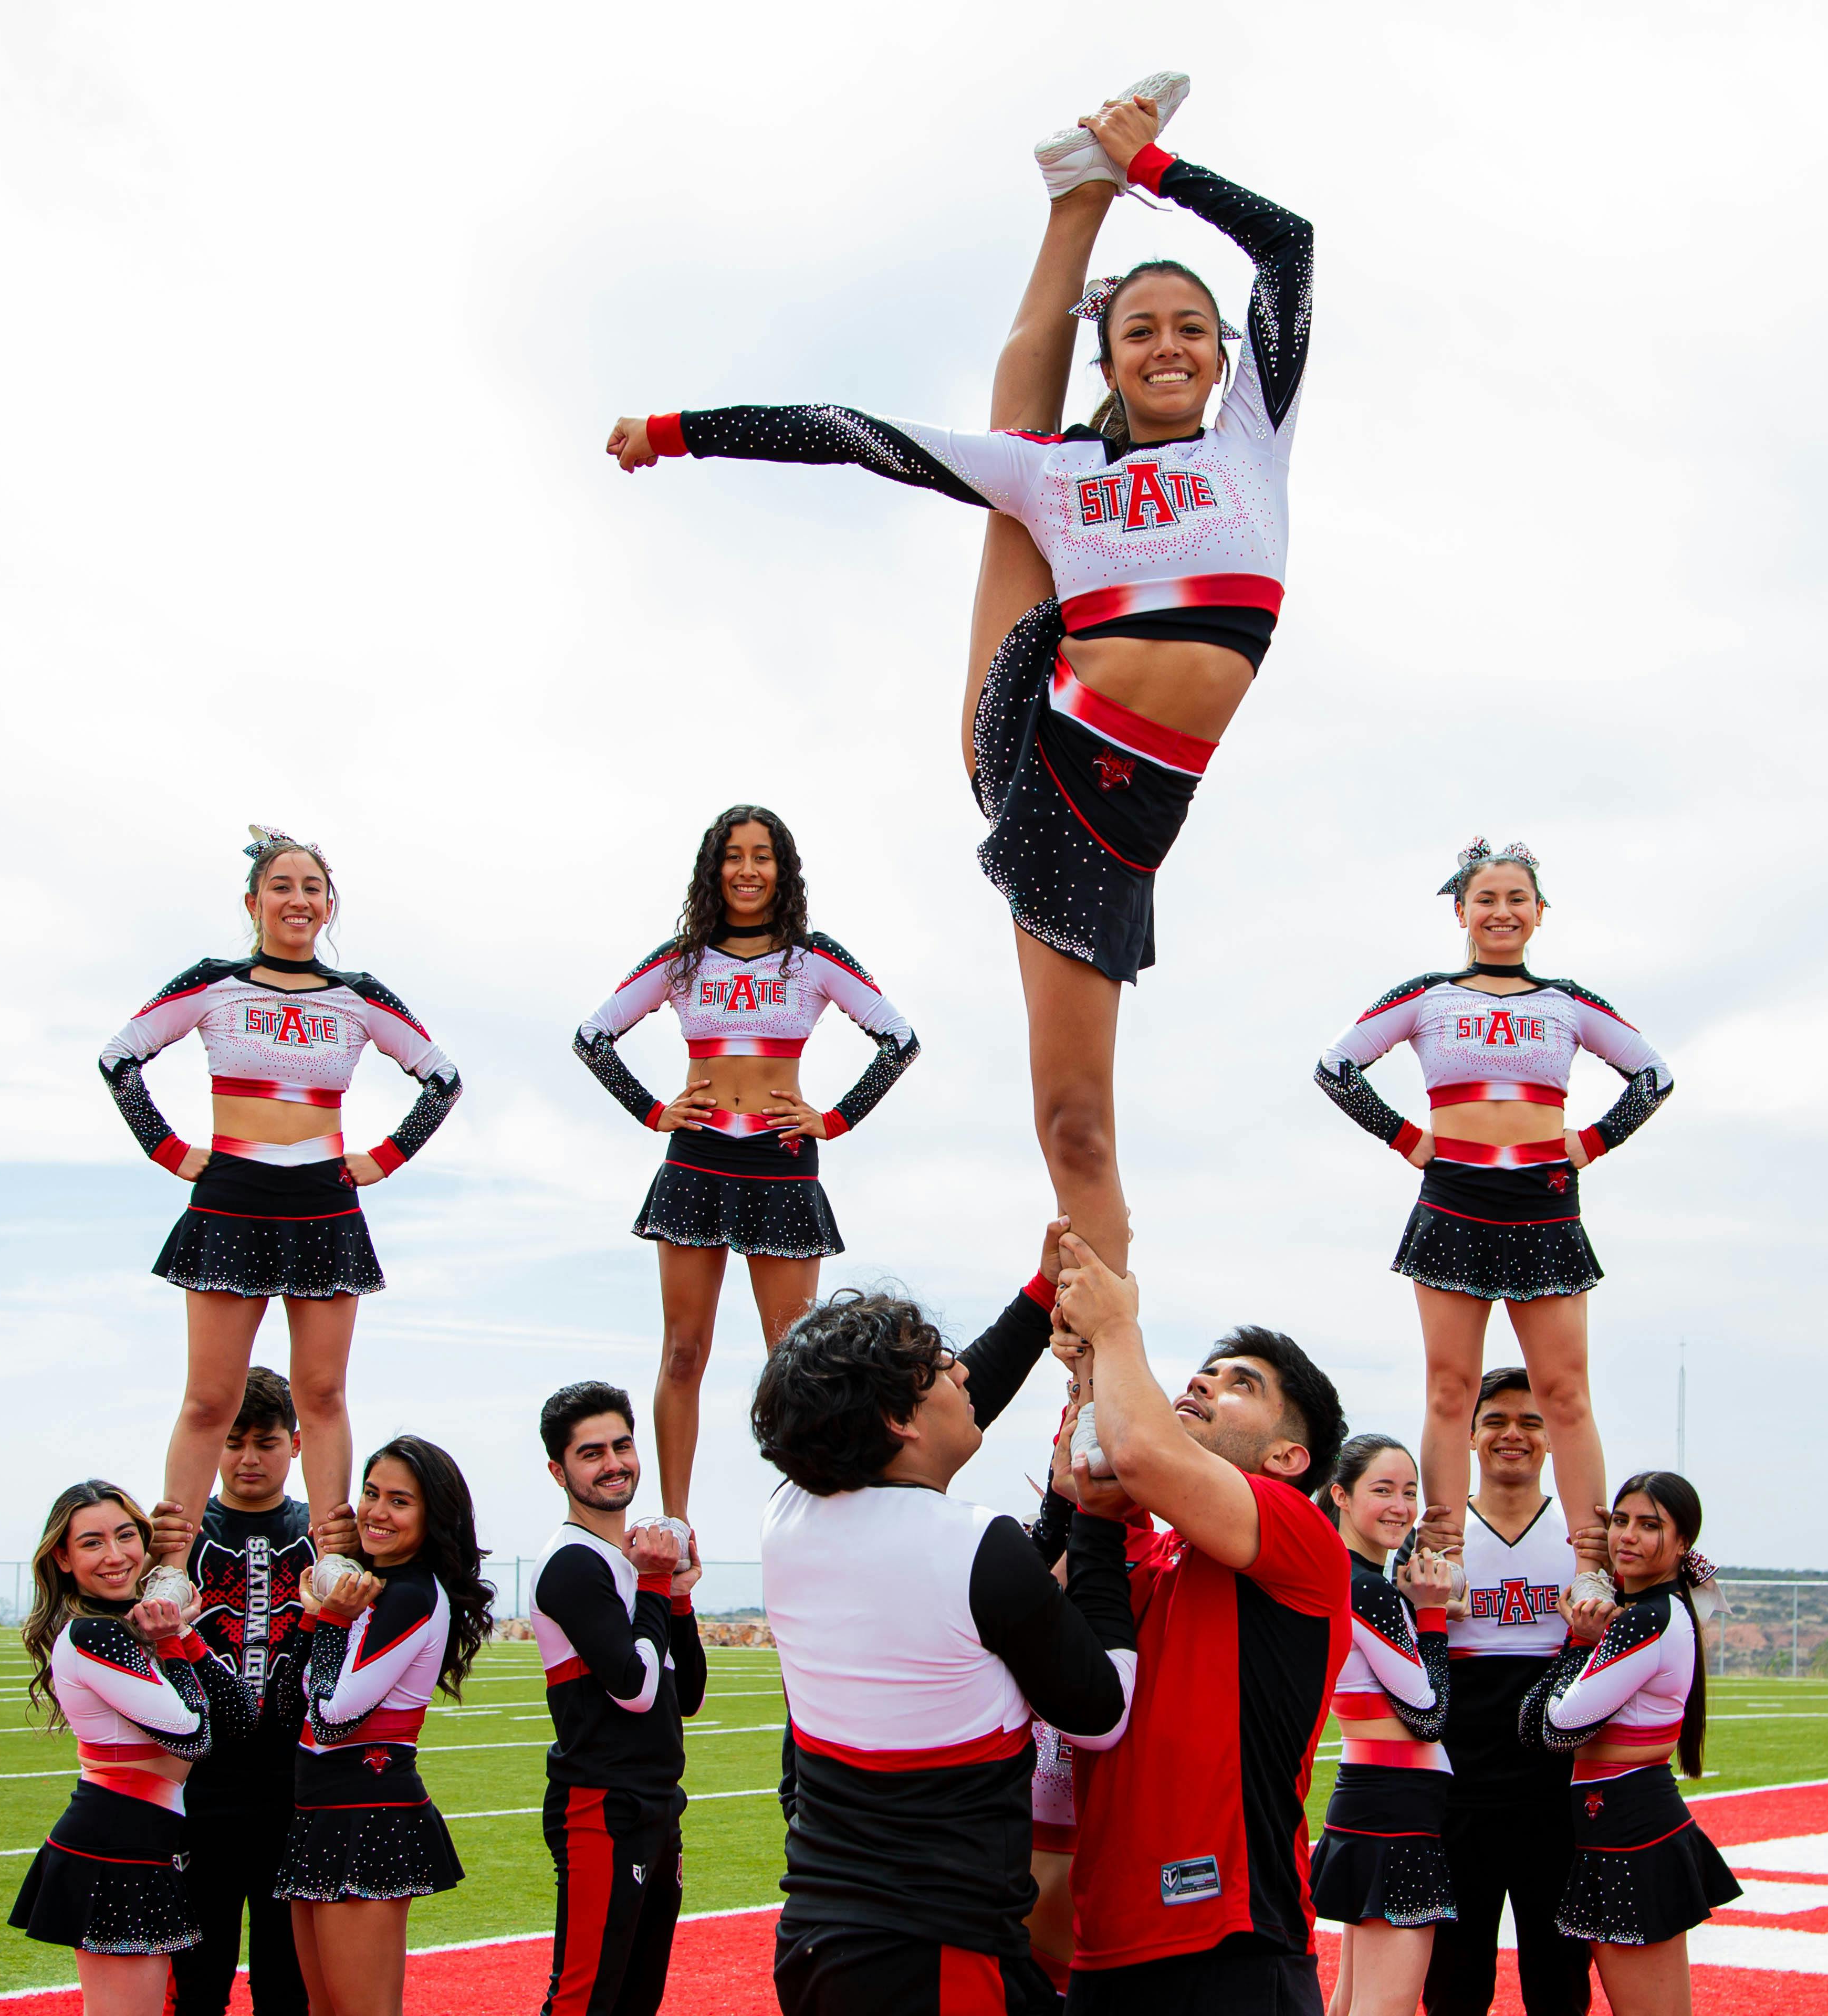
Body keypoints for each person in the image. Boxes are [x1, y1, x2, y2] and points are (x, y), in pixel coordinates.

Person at [607, 82, 1309, 1279]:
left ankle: (1082, 192)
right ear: (1109, 358)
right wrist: (676, 430)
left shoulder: (1253, 438)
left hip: (1134, 804)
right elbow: (852, 433)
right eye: (1138, 330)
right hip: (1044, 756)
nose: (1168, 346)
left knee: (1072, 1118)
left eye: (1190, 328)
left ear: (1222, 355)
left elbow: (1286, 248)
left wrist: (1155, 168)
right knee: (1076, 1123)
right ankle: (1106, 1359)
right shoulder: (1066, 473)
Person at [752, 1222, 1135, 2016]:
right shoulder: (974, 1546)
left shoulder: (787, 1515)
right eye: (940, 1367)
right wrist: (1096, 1517)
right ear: (899, 1418)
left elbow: (944, 1414)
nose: (963, 1373)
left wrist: (1038, 1295)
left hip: (820, 1938)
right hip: (935, 1959)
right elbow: (1104, 1714)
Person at [1315, 838, 1673, 1584]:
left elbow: (1653, 1075)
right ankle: (1444, 1557)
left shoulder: (1567, 1001)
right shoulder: (1429, 996)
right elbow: (1336, 1067)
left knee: (1565, 1394)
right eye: (1486, 899)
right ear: (1462, 912)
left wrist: (1593, 1142)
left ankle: (1591, 1566)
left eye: (1517, 899)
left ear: (1540, 913)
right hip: (1455, 1201)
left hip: (1545, 1205)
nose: (1501, 911)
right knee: (1450, 1391)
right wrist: (1406, 1138)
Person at [100, 827, 462, 1562]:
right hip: (231, 1198)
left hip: (323, 1205)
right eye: (281, 887)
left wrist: (387, 1157)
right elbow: (119, 1058)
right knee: (211, 1399)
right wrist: (168, 1150)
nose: (298, 900)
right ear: (253, 902)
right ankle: (172, 1567)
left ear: (329, 905)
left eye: (312, 889)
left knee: (322, 1396)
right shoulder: (215, 982)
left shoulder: (358, 995)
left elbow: (444, 1079)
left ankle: (333, 1561)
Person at [573, 805, 922, 1515]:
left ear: (782, 870)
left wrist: (834, 1119)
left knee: (797, 1361)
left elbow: (900, 1039)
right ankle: (676, 1523)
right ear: (715, 869)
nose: (747, 870)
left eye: (762, 856)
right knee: (683, 1353)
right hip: (696, 1161)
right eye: (733, 856)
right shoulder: (682, 958)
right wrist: (652, 1111)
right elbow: (592, 1035)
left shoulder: (813, 956)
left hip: (781, 1161)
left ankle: (812, 1511)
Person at [1051, 1234, 1352, 2015]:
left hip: (1234, 1945)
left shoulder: (1302, 1535)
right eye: (1206, 1372)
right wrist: (1087, 1369)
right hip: (1103, 1943)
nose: (1202, 1382)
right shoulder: (1152, 1553)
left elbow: (1143, 1456)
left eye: (1240, 1383)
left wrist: (1118, 1327)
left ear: (1288, 1457)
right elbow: (1095, 1482)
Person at [9, 1480, 258, 2013]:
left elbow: (241, 1716)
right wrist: (171, 1640)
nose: (116, 1555)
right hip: (114, 1846)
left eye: (126, 1536)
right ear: (63, 1558)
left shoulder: (129, 1628)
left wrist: (183, 1636)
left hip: (141, 1841)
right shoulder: (95, 1634)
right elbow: (193, 1736)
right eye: (92, 1543)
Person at [274, 1436, 496, 2016]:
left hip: (368, 1816)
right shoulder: (373, 1587)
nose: (377, 1512)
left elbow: (331, 1718)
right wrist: (316, 1617)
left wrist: (329, 1619)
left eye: (400, 1501)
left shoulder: (412, 1594)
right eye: (371, 1494)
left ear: (433, 1516)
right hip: (322, 1812)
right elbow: (289, 1703)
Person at [1518, 1472, 1742, 2016]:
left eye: (1650, 1525)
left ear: (1683, 1543)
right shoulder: (1662, 1607)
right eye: (1621, 1521)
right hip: (1626, 1823)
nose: (1629, 1536)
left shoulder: (1644, 1620)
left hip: (1630, 1831)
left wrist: (1579, 1640)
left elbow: (1550, 1729)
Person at [530, 1381, 711, 2016]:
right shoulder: (572, 1563)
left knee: (637, 2000)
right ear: (559, 1471)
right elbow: (634, 1689)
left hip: (657, 1805)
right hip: (601, 1807)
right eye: (591, 1453)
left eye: (622, 1446)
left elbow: (688, 1695)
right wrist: (657, 1582)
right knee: (584, 2001)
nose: (613, 1463)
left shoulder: (635, 1563)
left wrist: (677, 1596)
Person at [1428, 1368, 1593, 2016]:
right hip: (1458, 1791)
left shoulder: (1585, 1539)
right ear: (1469, 1436)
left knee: (1559, 1981)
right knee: (1453, 1980)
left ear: (1554, 1436)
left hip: (1555, 1793)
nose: (1512, 1435)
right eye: (1494, 1420)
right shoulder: (1437, 1539)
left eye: (1531, 1421)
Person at [170, 1368, 318, 2016]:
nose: (248, 1458)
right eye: (233, 1443)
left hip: (295, 1790)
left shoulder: (322, 1535)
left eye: (266, 1442)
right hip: (199, 1787)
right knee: (197, 1982)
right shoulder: (177, 1538)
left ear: (297, 1443)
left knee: (286, 1987)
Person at [1309, 1434, 1460, 2016]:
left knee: (1351, 2002)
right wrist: (1432, 1614)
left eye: (1410, 1492)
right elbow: (1429, 1714)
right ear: (1341, 1496)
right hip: (1393, 1811)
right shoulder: (1367, 1588)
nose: (1401, 1506)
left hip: (1374, 1801)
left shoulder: (1348, 1575)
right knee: (1382, 2007)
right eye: (1383, 1490)